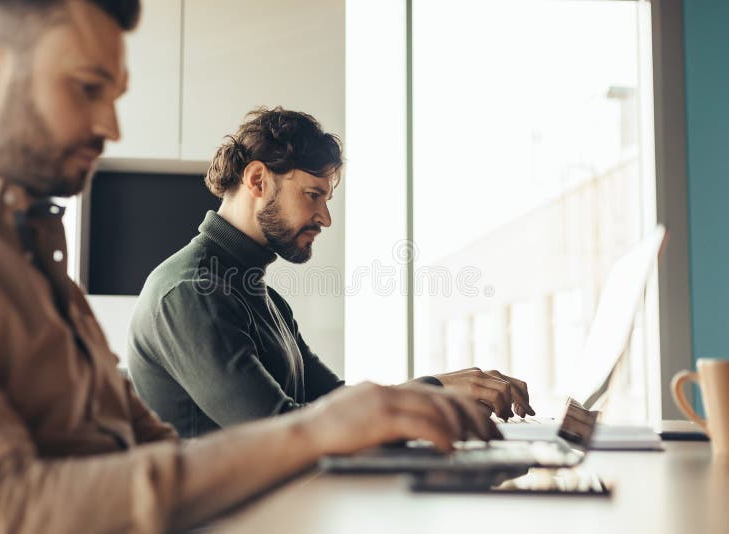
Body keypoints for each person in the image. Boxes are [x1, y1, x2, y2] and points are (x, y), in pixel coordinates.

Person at [0, 1, 501, 532]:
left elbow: (154, 452)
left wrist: (425, 396)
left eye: (113, 96)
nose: (112, 127)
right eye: (88, 88)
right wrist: (323, 431)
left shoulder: (32, 258)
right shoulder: (182, 289)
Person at [128, 107, 535, 438]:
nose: (325, 217)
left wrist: (443, 392)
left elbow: (331, 402)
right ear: (257, 180)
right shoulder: (189, 292)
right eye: (313, 195)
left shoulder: (263, 298)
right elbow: (281, 430)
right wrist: (437, 391)